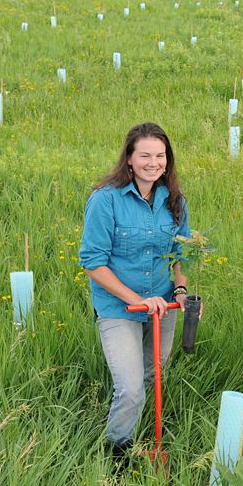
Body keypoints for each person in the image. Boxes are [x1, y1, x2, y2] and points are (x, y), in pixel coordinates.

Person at [78, 122, 193, 464]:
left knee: (151, 375)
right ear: (129, 158)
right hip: (119, 307)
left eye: (160, 156)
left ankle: (141, 435)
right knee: (130, 389)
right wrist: (137, 300)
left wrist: (181, 289)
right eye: (144, 155)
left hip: (163, 305)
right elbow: (93, 263)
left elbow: (181, 253)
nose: (153, 163)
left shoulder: (175, 201)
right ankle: (117, 454)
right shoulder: (105, 200)